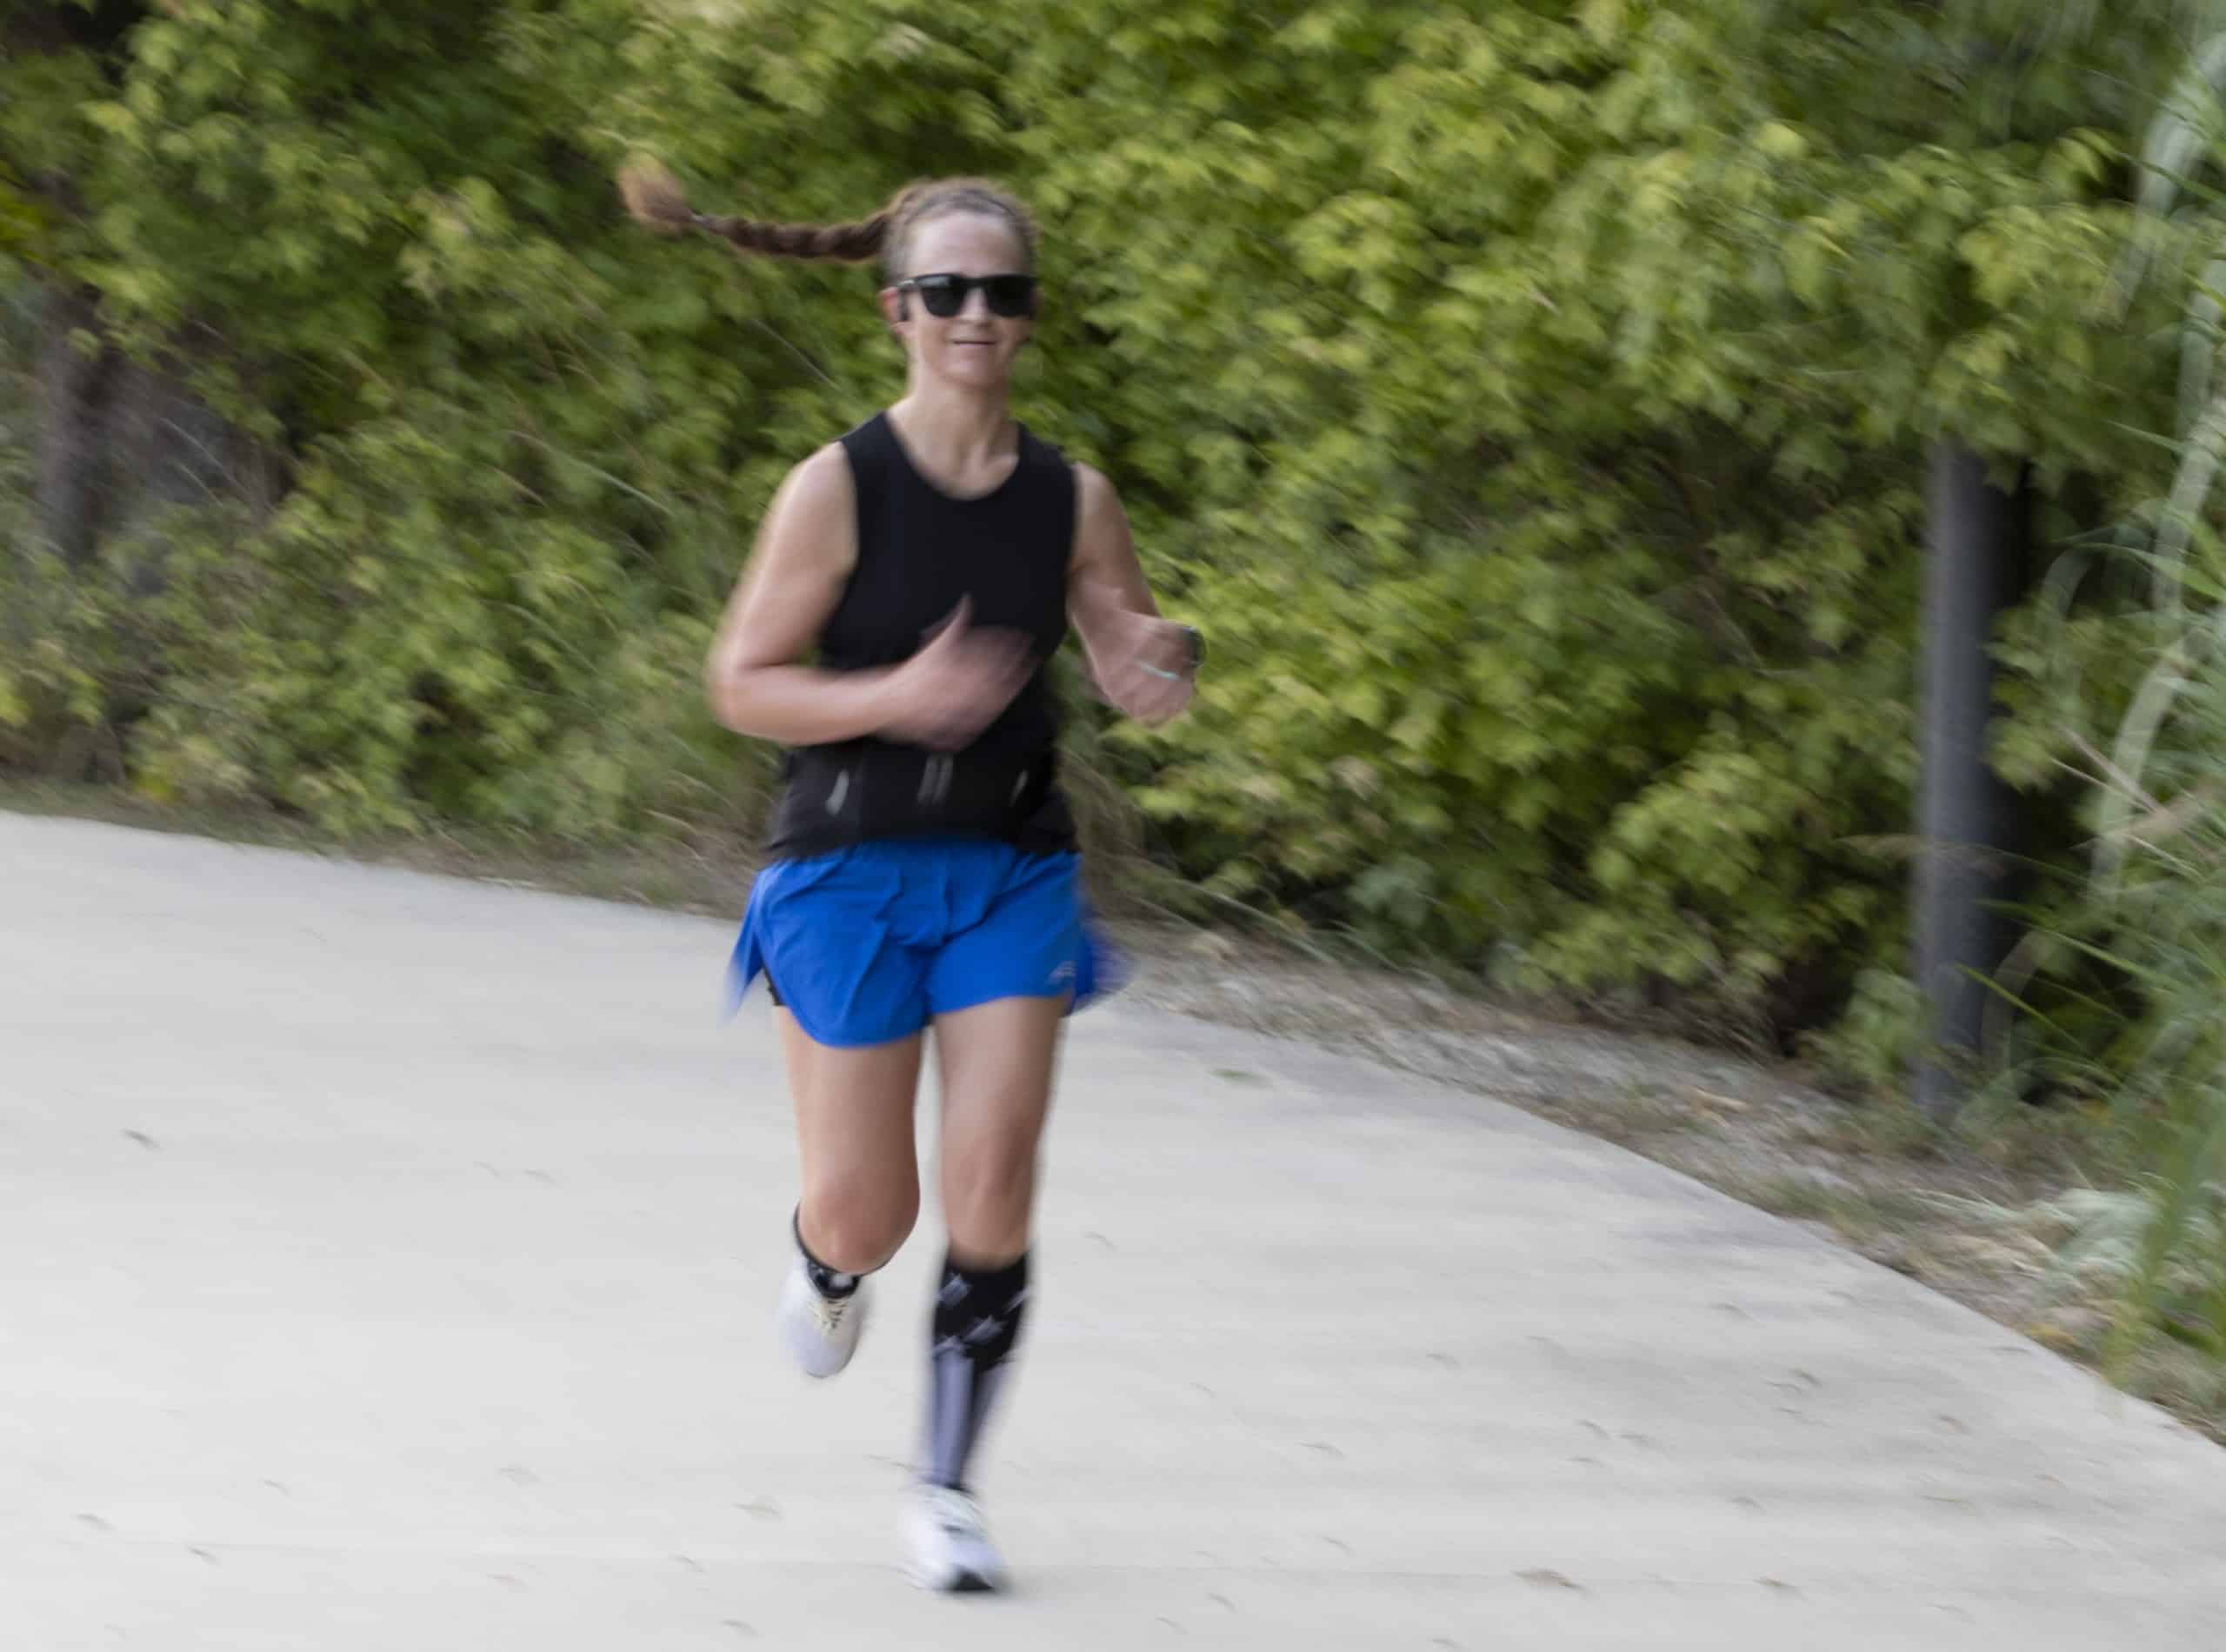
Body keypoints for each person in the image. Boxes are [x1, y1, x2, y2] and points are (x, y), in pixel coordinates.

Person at [622, 160, 1201, 1593]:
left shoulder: (1073, 497)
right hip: (846, 870)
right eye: (946, 292)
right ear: (897, 308)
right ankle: (827, 1267)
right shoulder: (836, 486)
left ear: (1029, 315)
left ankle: (946, 1489)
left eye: (1003, 295)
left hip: (1011, 868)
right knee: (870, 1211)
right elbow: (743, 684)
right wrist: (895, 694)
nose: (976, 316)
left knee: (994, 1179)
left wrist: (1155, 660)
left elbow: (1133, 647)